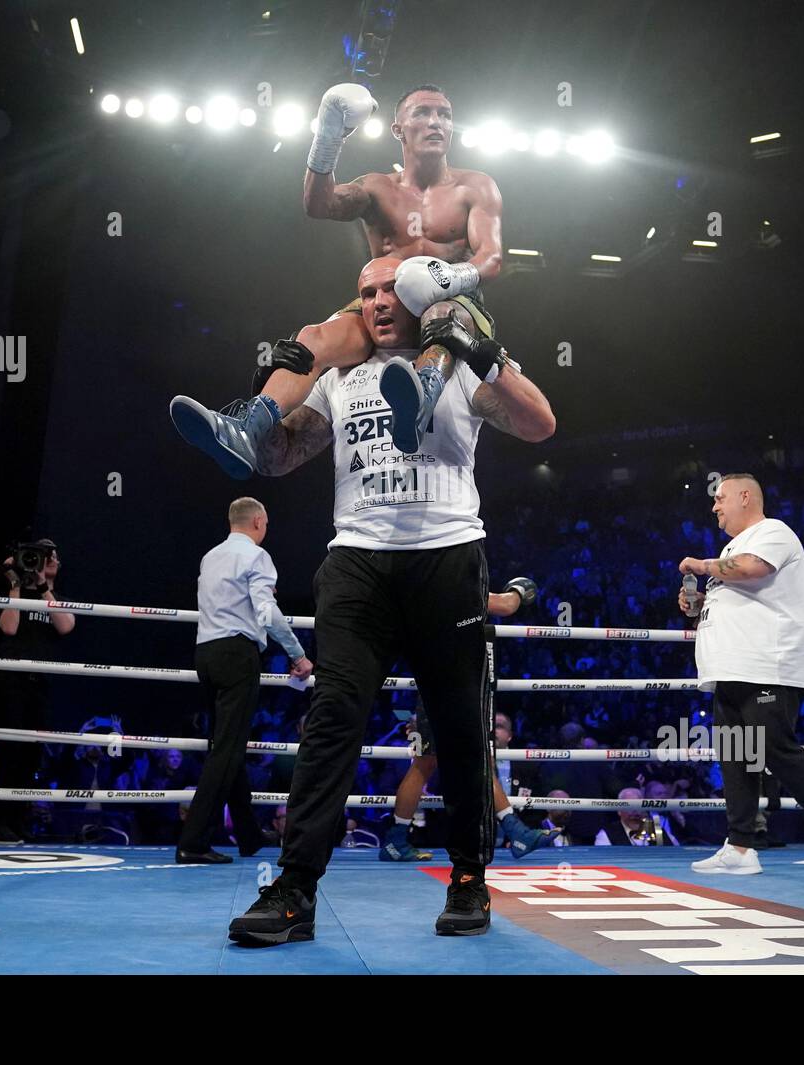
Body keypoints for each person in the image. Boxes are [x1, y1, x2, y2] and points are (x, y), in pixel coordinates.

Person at [214, 255, 554, 944]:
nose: (375, 301)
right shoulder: (338, 375)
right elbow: (279, 459)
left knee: (460, 729)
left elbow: (541, 422)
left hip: (447, 554)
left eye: (388, 289)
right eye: (364, 291)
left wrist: (484, 350)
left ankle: (468, 876)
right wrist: (265, 388)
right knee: (332, 719)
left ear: (417, 296)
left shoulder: (455, 365)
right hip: (357, 564)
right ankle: (295, 888)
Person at [169, 83, 504, 477]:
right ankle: (246, 428)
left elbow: (492, 257)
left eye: (444, 115)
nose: (436, 122)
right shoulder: (377, 187)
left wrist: (449, 276)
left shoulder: (476, 185)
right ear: (398, 129)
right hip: (389, 299)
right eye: (423, 113)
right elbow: (318, 204)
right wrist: (328, 136)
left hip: (455, 303)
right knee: (313, 337)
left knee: (441, 314)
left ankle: (419, 404)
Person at [678, 473, 804, 876]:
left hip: (769, 664)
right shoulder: (733, 546)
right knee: (736, 758)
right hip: (731, 668)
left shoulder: (773, 532)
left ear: (745, 496)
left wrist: (702, 563)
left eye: (720, 498)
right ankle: (741, 845)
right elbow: (734, 590)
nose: (714, 506)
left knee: (773, 751)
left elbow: (753, 568)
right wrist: (695, 604)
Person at [379, 576, 561, 861]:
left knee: (436, 763)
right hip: (455, 685)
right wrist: (520, 589)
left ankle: (515, 832)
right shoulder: (451, 585)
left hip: (437, 681)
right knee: (435, 764)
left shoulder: (419, 591)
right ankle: (516, 833)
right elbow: (506, 605)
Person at [175, 497, 313, 863]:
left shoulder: (211, 556)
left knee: (227, 745)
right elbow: (267, 611)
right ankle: (193, 841)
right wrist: (297, 654)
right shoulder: (256, 557)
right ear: (257, 521)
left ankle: (248, 835)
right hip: (237, 654)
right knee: (227, 750)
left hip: (206, 653)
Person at [0, 538, 75, 843]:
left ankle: (18, 819)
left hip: (40, 682)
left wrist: (44, 588)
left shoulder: (57, 597)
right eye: (43, 557)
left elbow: (66, 625)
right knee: (9, 749)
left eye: (52, 557)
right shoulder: (11, 593)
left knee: (31, 754)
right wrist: (15, 585)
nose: (49, 561)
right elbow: (9, 628)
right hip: (11, 680)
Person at [594, 787, 681, 846]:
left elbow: (676, 853)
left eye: (639, 807)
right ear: (619, 811)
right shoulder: (607, 834)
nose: (635, 812)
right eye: (630, 807)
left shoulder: (656, 830)